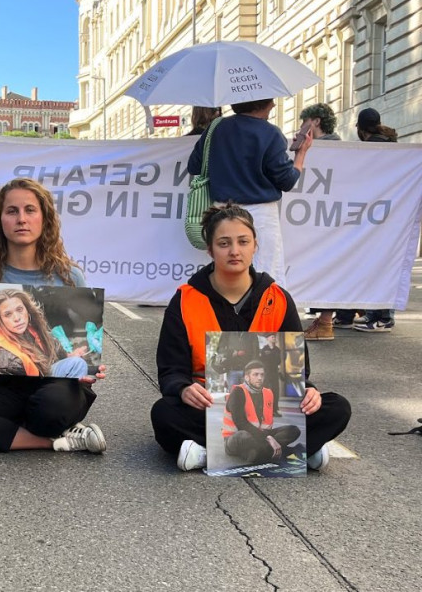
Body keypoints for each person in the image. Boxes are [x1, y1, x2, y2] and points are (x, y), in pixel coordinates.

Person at [150, 202, 351, 472]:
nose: (235, 251)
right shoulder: (185, 300)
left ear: (255, 244)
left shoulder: (277, 298)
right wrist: (184, 389)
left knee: (337, 407)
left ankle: (210, 453)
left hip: (272, 417)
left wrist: (309, 391)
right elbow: (171, 369)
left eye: (243, 241)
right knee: (163, 413)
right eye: (224, 243)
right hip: (210, 407)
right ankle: (300, 451)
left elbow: (297, 371)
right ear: (210, 249)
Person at [0, 178, 107, 454]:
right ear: (0, 220)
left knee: (52, 407)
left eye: (30, 210)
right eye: (12, 211)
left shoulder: (70, 276)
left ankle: (13, 429)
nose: (21, 219)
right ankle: (56, 441)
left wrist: (90, 368)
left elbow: (86, 354)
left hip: (57, 385)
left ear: (45, 218)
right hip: (2, 387)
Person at [187, 98, 313, 288]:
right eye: (271, 100)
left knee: (226, 271)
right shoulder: (270, 133)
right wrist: (301, 154)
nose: (273, 104)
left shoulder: (216, 129)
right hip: (260, 215)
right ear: (262, 104)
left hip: (221, 212)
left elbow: (194, 166)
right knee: (266, 274)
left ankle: (227, 315)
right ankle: (264, 316)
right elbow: (287, 180)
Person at [296, 103, 354, 340]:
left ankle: (326, 322)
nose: (301, 127)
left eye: (304, 121)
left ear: (315, 121)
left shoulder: (333, 148)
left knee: (328, 263)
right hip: (317, 215)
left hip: (328, 217)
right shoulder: (322, 146)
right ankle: (324, 319)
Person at [354, 108, 399, 333]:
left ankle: (380, 318)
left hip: (371, 216)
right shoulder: (394, 148)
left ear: (361, 129)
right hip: (390, 216)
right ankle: (380, 315)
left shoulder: (366, 150)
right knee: (385, 265)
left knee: (371, 265)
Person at [0, 288, 89, 378]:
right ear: (0, 320)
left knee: (76, 363)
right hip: (23, 397)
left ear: (28, 310)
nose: (17, 318)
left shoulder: (34, 329)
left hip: (44, 386)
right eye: (8, 314)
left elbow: (55, 358)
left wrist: (71, 357)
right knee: (77, 365)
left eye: (20, 309)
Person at [222, 360, 302, 464]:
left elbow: (266, 424)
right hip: (235, 438)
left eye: (262, 375)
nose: (260, 378)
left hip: (260, 435)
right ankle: (284, 451)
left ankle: (258, 453)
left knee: (293, 430)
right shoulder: (238, 392)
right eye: (255, 374)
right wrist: (268, 438)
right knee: (244, 436)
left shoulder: (268, 393)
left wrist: (266, 436)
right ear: (247, 377)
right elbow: (241, 423)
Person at [258, 334, 283, 418]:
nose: (274, 338)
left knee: (275, 391)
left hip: (275, 373)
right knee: (266, 391)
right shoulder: (264, 350)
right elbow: (261, 361)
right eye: (272, 337)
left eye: (275, 337)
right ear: (267, 338)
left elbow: (279, 361)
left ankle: (275, 410)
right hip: (266, 373)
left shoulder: (277, 350)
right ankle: (264, 410)